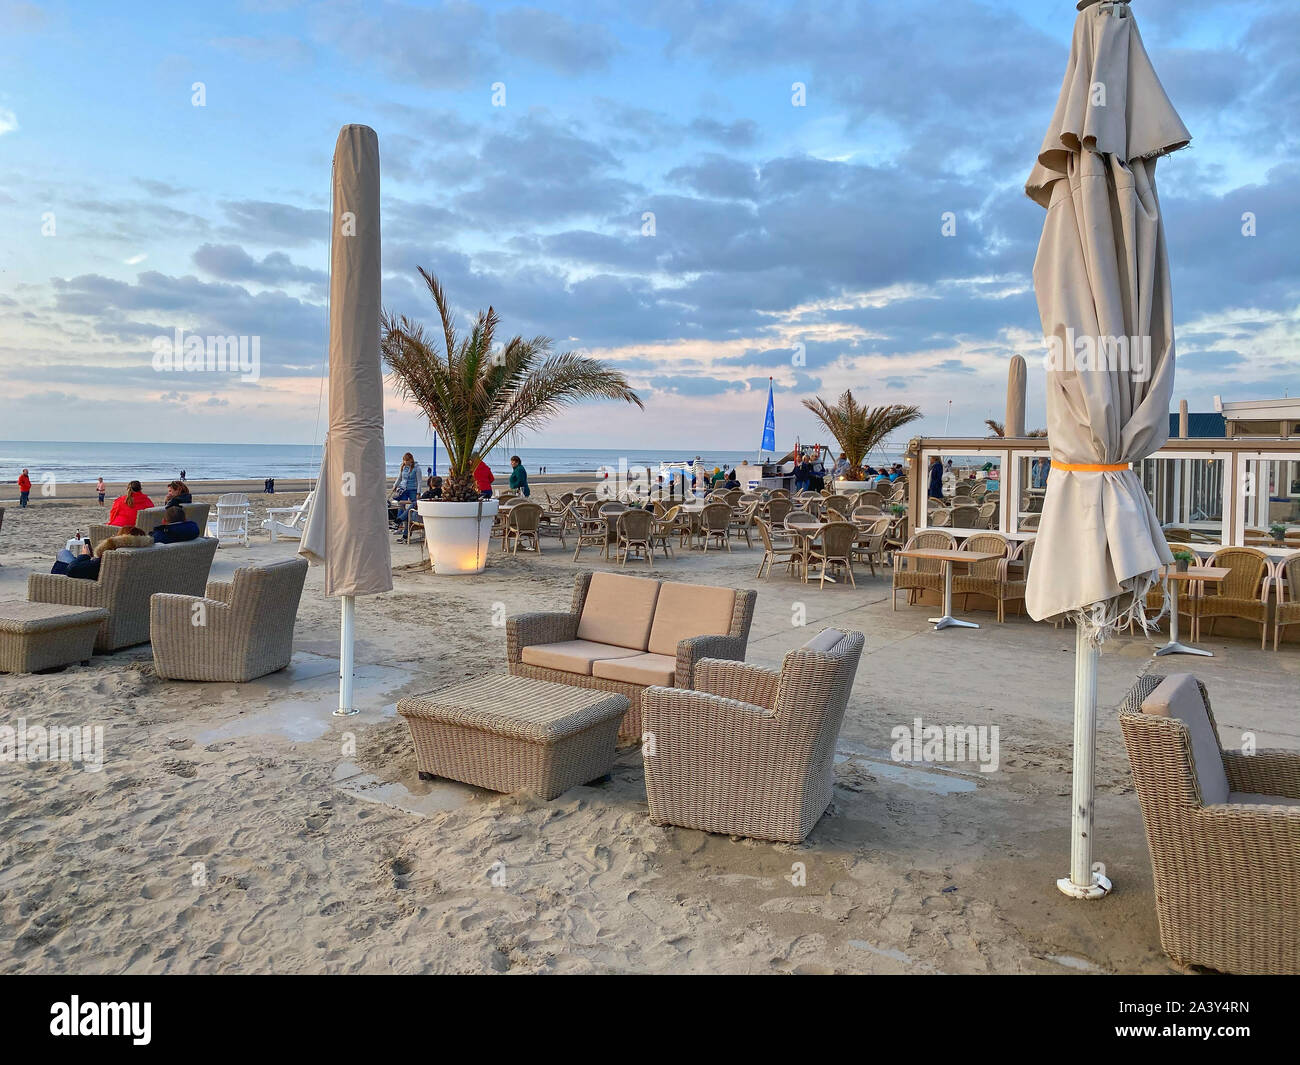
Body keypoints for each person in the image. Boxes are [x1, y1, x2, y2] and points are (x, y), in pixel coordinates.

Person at [51, 527, 151, 581]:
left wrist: (84, 555)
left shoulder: (110, 560)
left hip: (79, 579)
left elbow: (72, 570)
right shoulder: (142, 558)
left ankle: (52, 583)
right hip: (90, 572)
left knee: (63, 553)